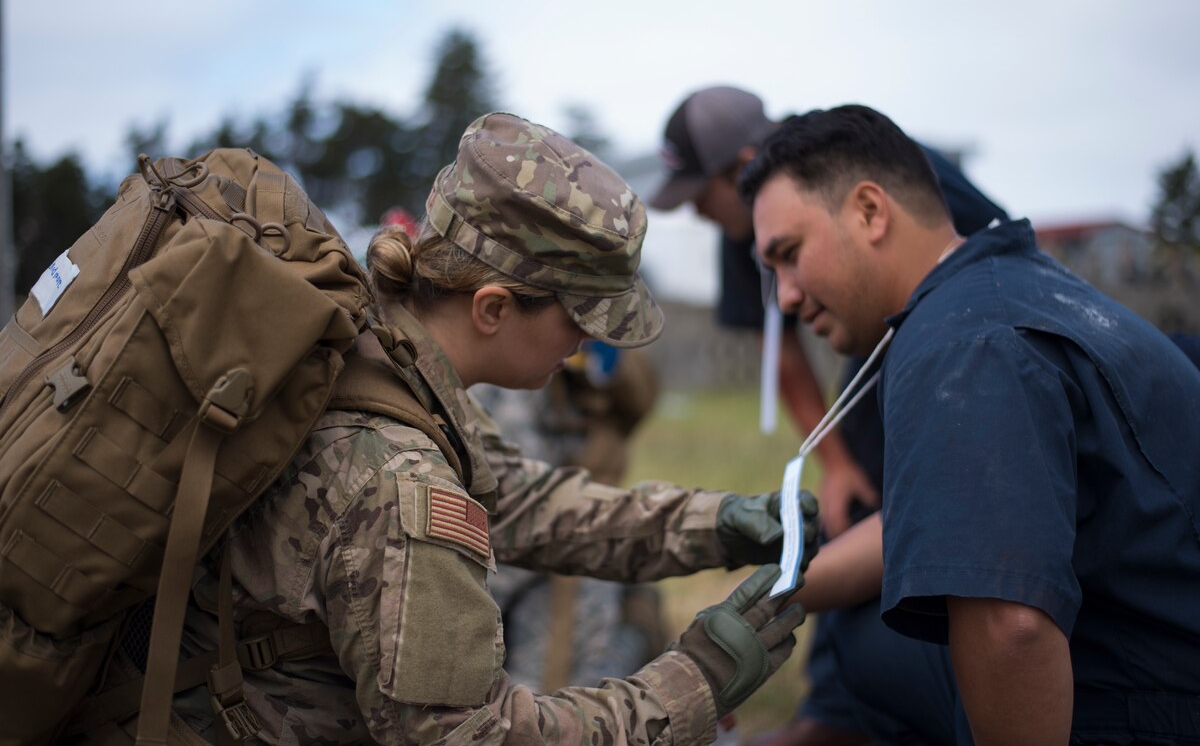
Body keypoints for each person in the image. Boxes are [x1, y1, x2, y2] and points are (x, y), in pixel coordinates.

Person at [80, 112, 819, 746]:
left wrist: (716, 524)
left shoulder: (377, 348)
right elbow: (470, 734)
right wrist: (695, 682)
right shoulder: (396, 477)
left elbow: (522, 502)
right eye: (581, 318)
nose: (588, 345)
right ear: (493, 307)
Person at [741, 104, 1200, 746]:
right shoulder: (1015, 285)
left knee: (893, 632)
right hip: (1155, 647)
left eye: (789, 255)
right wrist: (766, 600)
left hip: (1142, 701)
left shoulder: (961, 343)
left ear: (871, 212)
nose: (784, 296)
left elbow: (1011, 626)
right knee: (867, 621)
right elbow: (943, 520)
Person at [651, 86, 1008, 746]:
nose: (701, 214)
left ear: (744, 162)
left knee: (952, 534)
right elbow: (777, 350)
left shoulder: (871, 161)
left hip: (952, 351)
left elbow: (997, 251)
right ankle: (838, 712)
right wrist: (838, 463)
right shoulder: (746, 229)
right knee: (854, 519)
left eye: (702, 196)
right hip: (872, 367)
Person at [475, 341, 668, 691]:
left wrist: (605, 358)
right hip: (498, 563)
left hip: (567, 557)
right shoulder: (503, 378)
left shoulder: (592, 364)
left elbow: (638, 397)